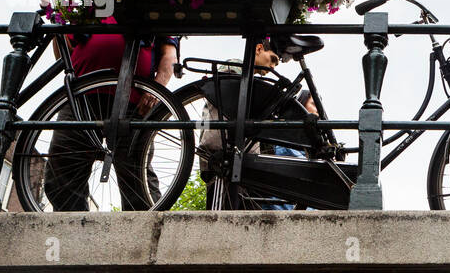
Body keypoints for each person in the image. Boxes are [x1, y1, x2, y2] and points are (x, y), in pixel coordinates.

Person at [44, 18, 180, 210]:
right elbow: (63, 52)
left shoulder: (150, 7)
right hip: (81, 98)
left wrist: (156, 88)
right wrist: (58, 20)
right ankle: (75, 229)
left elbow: (169, 55)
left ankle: (146, 232)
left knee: (137, 177)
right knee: (62, 169)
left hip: (133, 102)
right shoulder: (92, 6)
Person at [197, 39, 317, 210]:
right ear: (259, 49)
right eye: (273, 59)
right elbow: (228, 99)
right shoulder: (235, 67)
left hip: (238, 159)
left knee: (236, 206)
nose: (274, 67)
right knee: (220, 208)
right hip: (222, 152)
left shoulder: (250, 79)